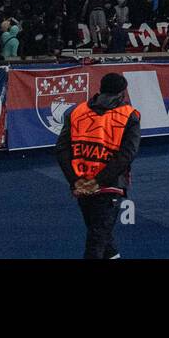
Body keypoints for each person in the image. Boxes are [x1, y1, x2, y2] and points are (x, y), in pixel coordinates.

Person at [55, 72, 141, 259]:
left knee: (100, 234)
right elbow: (126, 155)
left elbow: (61, 149)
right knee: (97, 239)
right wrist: (97, 181)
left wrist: (76, 181)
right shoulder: (129, 115)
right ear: (122, 93)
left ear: (100, 89)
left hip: (81, 184)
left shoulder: (77, 111)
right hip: (109, 185)